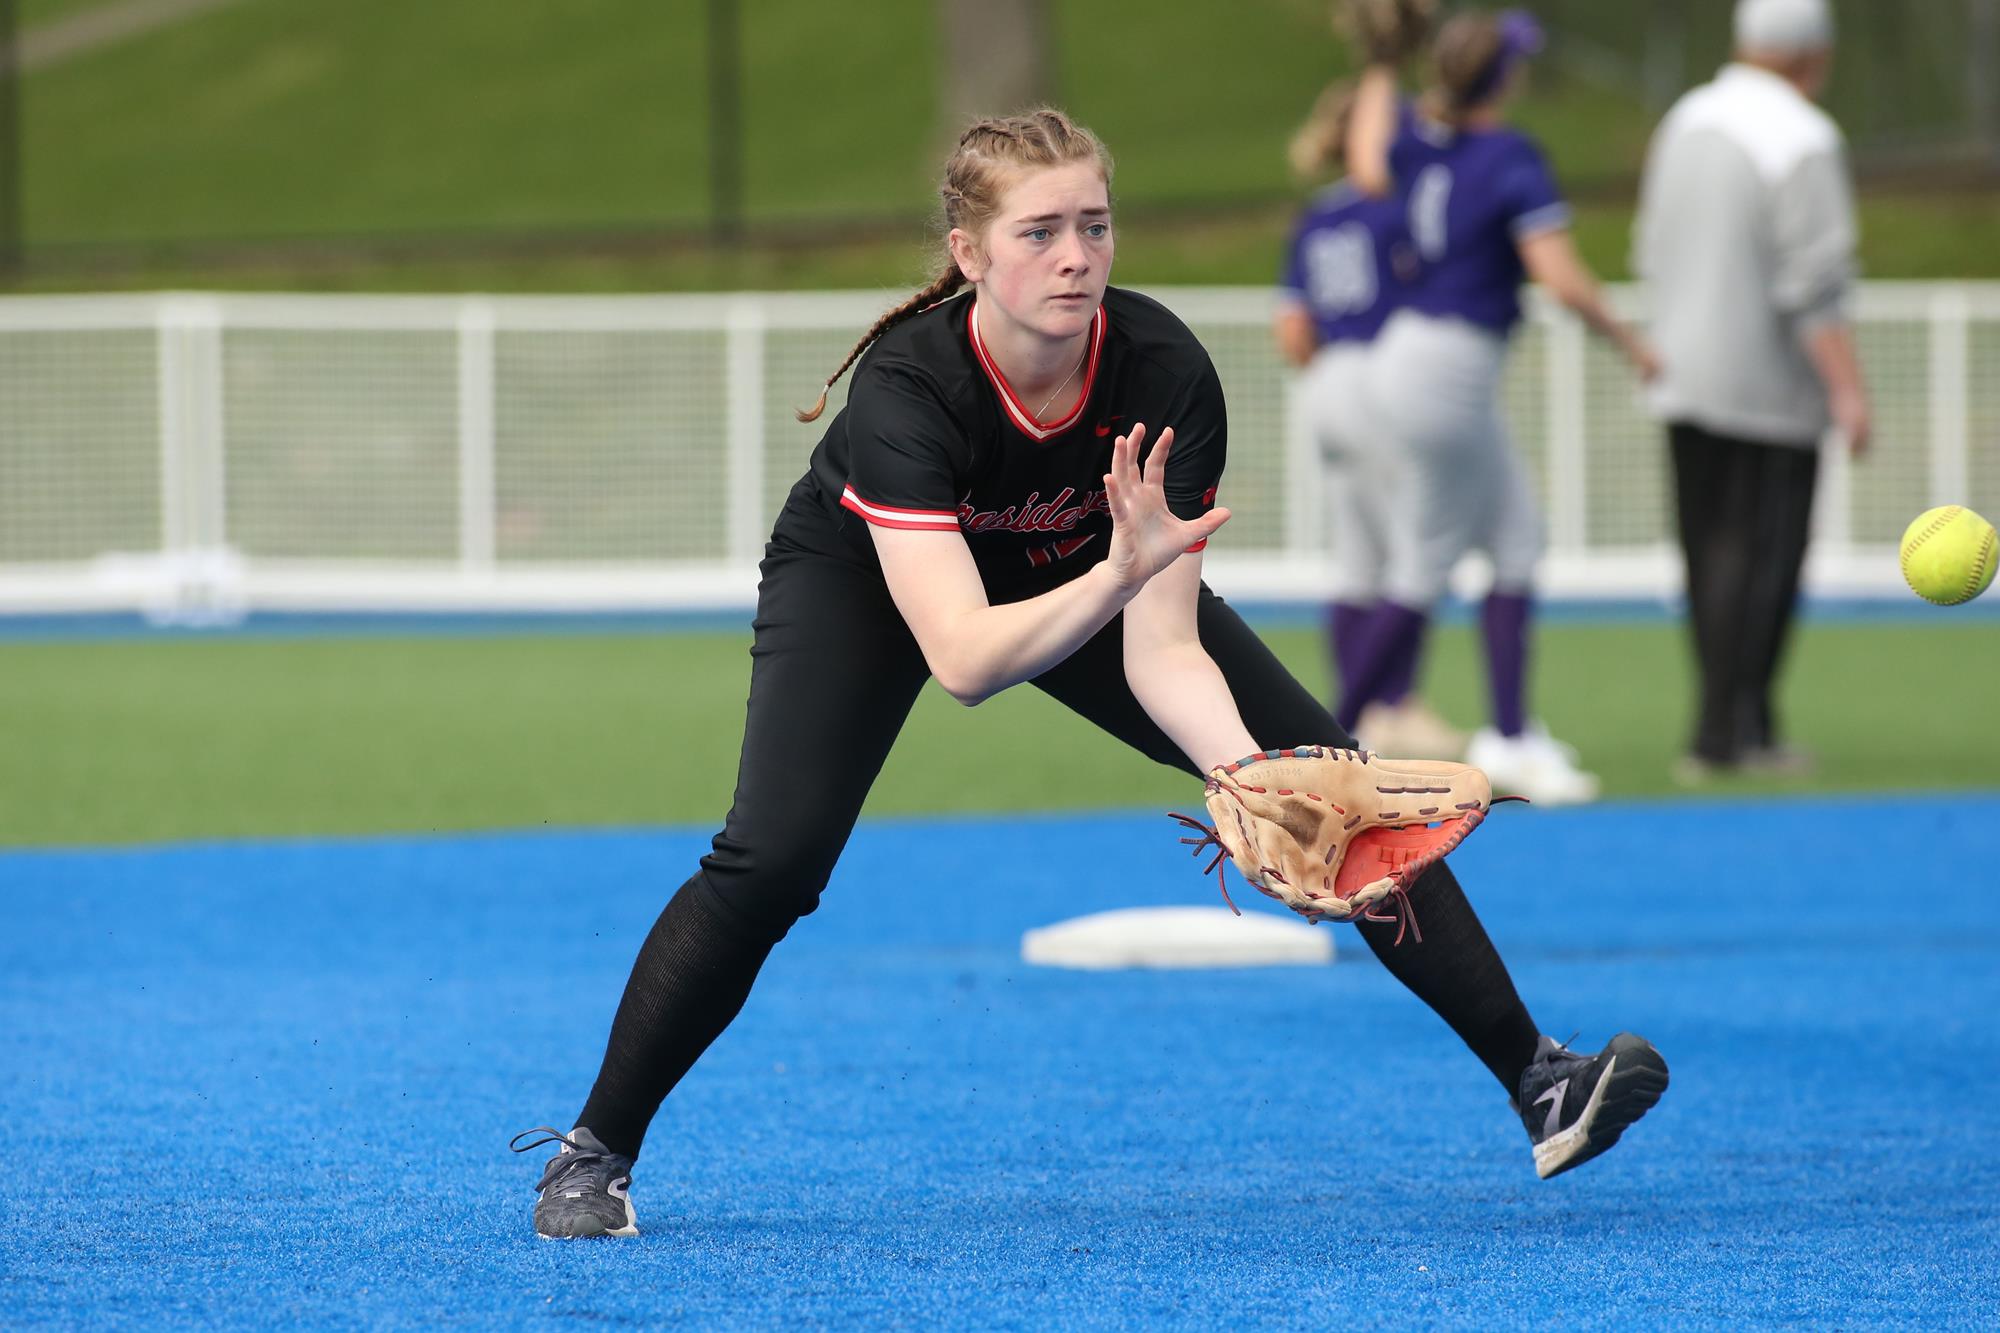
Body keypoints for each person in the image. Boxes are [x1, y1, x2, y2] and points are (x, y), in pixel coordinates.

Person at [512, 109, 1668, 1238]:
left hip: (1092, 571)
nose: (1075, 256)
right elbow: (962, 657)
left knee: (1333, 791)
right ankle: (595, 1149)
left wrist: (1250, 780)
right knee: (771, 862)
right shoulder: (908, 390)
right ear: (967, 254)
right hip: (869, 578)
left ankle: (1539, 1080)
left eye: (1095, 226)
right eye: (1038, 231)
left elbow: (1162, 646)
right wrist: (1112, 571)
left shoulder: (1161, 369)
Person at [1340, 9, 1659, 806]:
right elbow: (1558, 274)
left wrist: (1382, 61)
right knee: (1424, 564)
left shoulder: (1424, 141)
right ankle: (1324, 741)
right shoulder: (1510, 155)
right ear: (1503, 76)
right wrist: (1631, 340)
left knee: (1517, 537)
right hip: (1446, 370)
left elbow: (1365, 160)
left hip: (1414, 358)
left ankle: (1511, 735)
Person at [1634, 0, 1868, 782]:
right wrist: (1849, 390)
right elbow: (1813, 284)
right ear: (1815, 56)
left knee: (1707, 553)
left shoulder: (1685, 119)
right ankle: (1737, 730)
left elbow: (1649, 246)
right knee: (1764, 554)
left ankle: (1719, 727)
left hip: (1681, 371)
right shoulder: (1803, 136)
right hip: (1767, 388)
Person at [1276, 79, 1465, 760]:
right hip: (1386, 380)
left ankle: (1362, 707)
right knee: (1414, 551)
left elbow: (1292, 329)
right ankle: (1386, 706)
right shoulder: (1398, 211)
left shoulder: (1318, 214)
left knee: (1357, 557)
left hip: (1327, 380)